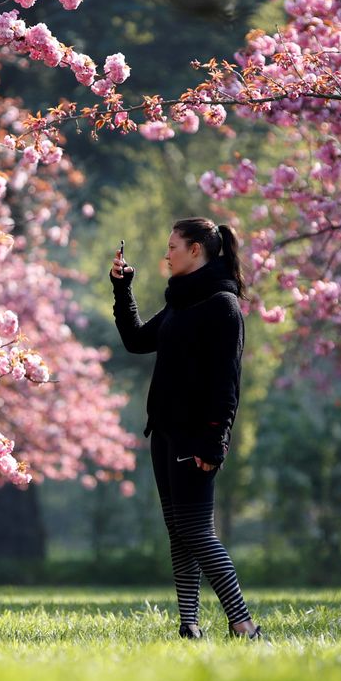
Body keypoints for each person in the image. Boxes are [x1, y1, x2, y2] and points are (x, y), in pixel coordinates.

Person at [110, 217, 262, 641]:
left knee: (197, 531)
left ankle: (242, 622)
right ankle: (189, 625)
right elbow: (138, 341)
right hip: (165, 431)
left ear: (196, 250)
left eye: (173, 246)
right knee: (179, 531)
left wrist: (215, 442)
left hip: (198, 435)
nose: (166, 253)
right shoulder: (181, 302)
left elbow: (226, 383)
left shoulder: (221, 305)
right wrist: (123, 289)